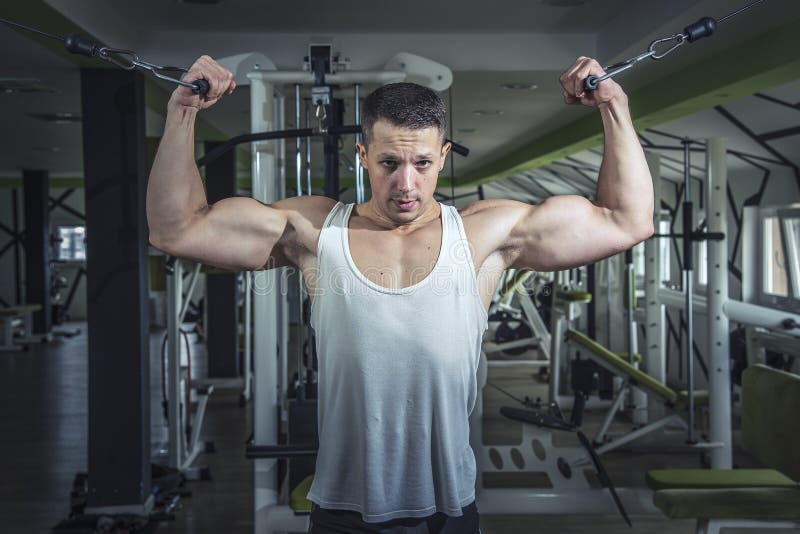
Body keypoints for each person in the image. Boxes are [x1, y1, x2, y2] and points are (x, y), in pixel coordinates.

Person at [147, 54, 654, 533]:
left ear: (444, 157)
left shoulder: (484, 235)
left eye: (423, 163)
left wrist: (615, 105)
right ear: (362, 155)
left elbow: (627, 221)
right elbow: (176, 230)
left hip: (447, 512)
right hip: (343, 510)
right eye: (389, 162)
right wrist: (182, 112)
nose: (406, 183)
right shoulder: (315, 231)